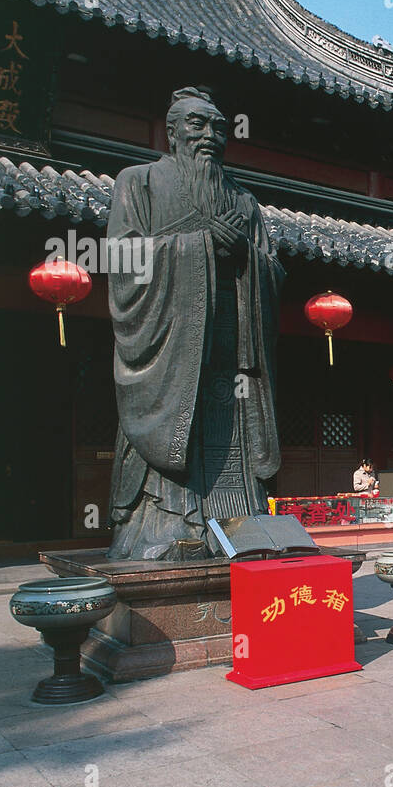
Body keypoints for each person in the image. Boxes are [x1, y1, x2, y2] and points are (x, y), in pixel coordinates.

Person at [106, 87, 285, 560]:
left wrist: (244, 253)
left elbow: (273, 270)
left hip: (232, 349)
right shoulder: (139, 183)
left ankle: (241, 531)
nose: (210, 135)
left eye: (220, 128)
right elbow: (123, 260)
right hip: (172, 348)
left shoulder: (244, 202)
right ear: (171, 132)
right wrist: (201, 246)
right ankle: (165, 530)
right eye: (197, 124)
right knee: (176, 437)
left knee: (233, 443)